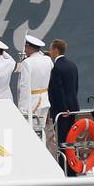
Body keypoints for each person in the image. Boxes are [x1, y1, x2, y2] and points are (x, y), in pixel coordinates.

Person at [47, 38, 80, 175]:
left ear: (55, 50)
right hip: (73, 108)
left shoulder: (56, 68)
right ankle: (73, 168)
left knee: (62, 140)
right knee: (71, 139)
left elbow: (58, 91)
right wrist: (71, 106)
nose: (50, 52)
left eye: (51, 49)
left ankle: (64, 168)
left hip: (62, 111)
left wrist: (63, 108)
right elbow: (75, 87)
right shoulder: (72, 65)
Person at [16, 34, 52, 145]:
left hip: (31, 102)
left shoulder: (27, 63)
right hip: (44, 100)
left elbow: (24, 86)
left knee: (30, 133)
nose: (25, 50)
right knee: (41, 130)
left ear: (29, 47)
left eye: (26, 48)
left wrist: (21, 108)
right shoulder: (48, 60)